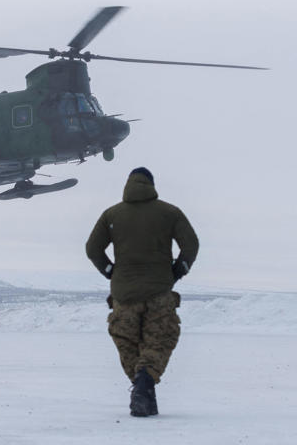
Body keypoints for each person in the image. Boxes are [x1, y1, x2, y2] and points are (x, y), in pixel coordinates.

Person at [85, 167, 199, 417]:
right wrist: (178, 270)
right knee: (160, 340)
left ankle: (144, 393)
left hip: (123, 295)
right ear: (152, 185)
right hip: (159, 292)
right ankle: (145, 383)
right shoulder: (169, 212)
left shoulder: (111, 214)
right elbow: (191, 244)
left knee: (128, 344)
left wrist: (110, 271)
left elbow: (92, 248)